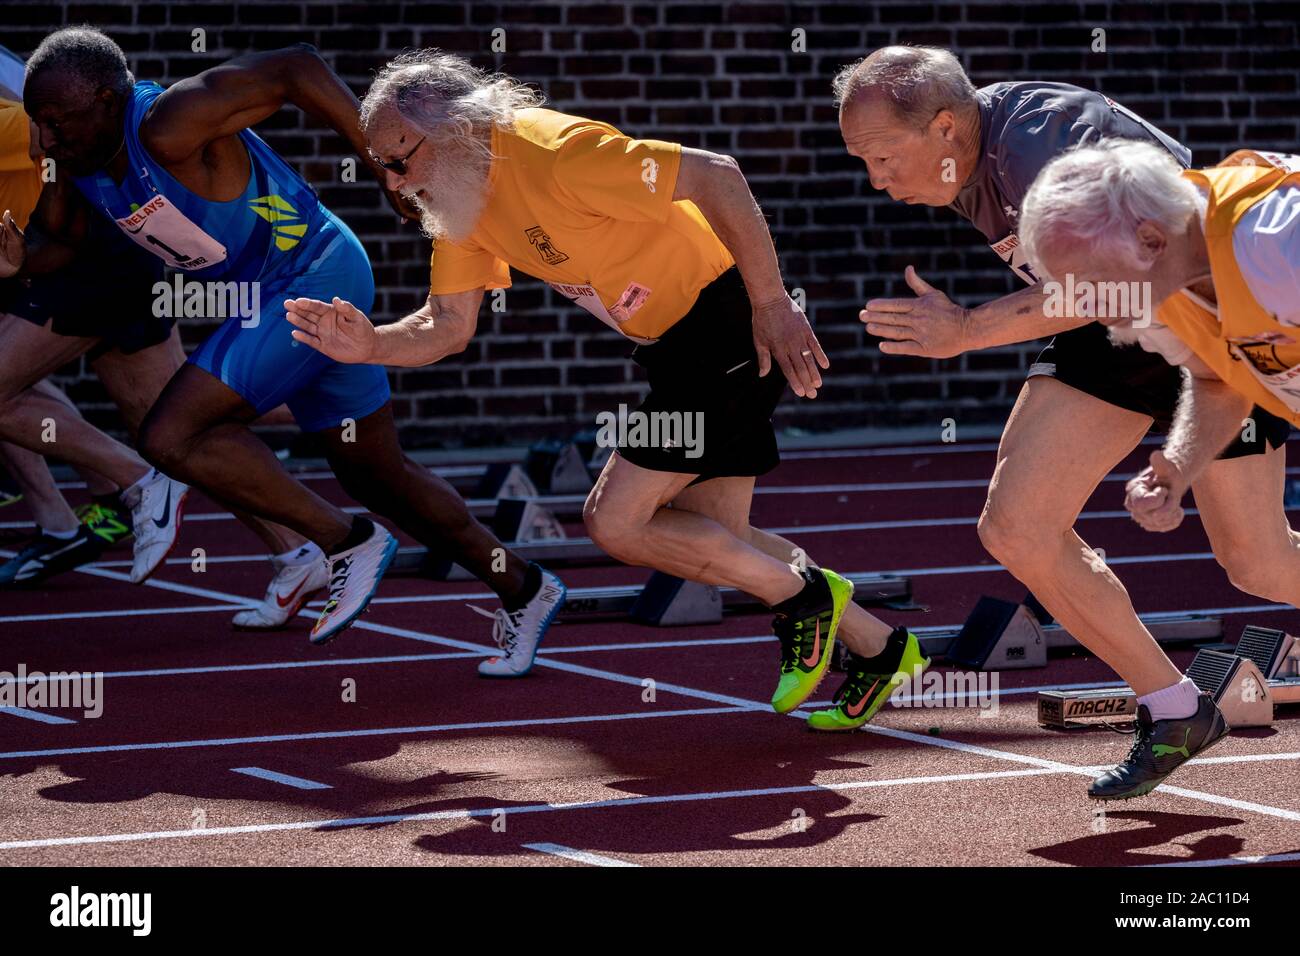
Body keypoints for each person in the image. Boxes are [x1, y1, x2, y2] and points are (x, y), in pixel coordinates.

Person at [287, 49, 928, 704]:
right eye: (382, 168)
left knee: (615, 521)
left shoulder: (561, 153)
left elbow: (718, 176)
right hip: (674, 351)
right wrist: (370, 345)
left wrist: (771, 303)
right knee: (725, 541)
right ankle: (883, 650)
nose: (394, 184)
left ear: (457, 128)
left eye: (399, 160)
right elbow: (448, 325)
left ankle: (804, 602)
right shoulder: (462, 201)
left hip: (727, 328)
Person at [0, 28, 565, 653]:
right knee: (378, 476)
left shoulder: (169, 123)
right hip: (268, 298)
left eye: (59, 122)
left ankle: (346, 542)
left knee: (170, 435)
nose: (47, 138)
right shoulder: (73, 162)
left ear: (107, 101)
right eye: (39, 123)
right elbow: (64, 246)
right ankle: (525, 586)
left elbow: (298, 66)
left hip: (313, 272)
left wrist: (381, 169)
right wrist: (20, 261)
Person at [832, 45, 1287, 797]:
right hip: (1112, 324)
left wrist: (971, 330)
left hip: (1200, 309)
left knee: (1259, 563)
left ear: (945, 126)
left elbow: (1138, 272)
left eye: (883, 156)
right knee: (1017, 526)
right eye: (864, 160)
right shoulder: (968, 154)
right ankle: (1175, 710)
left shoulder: (1044, 144)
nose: (876, 179)